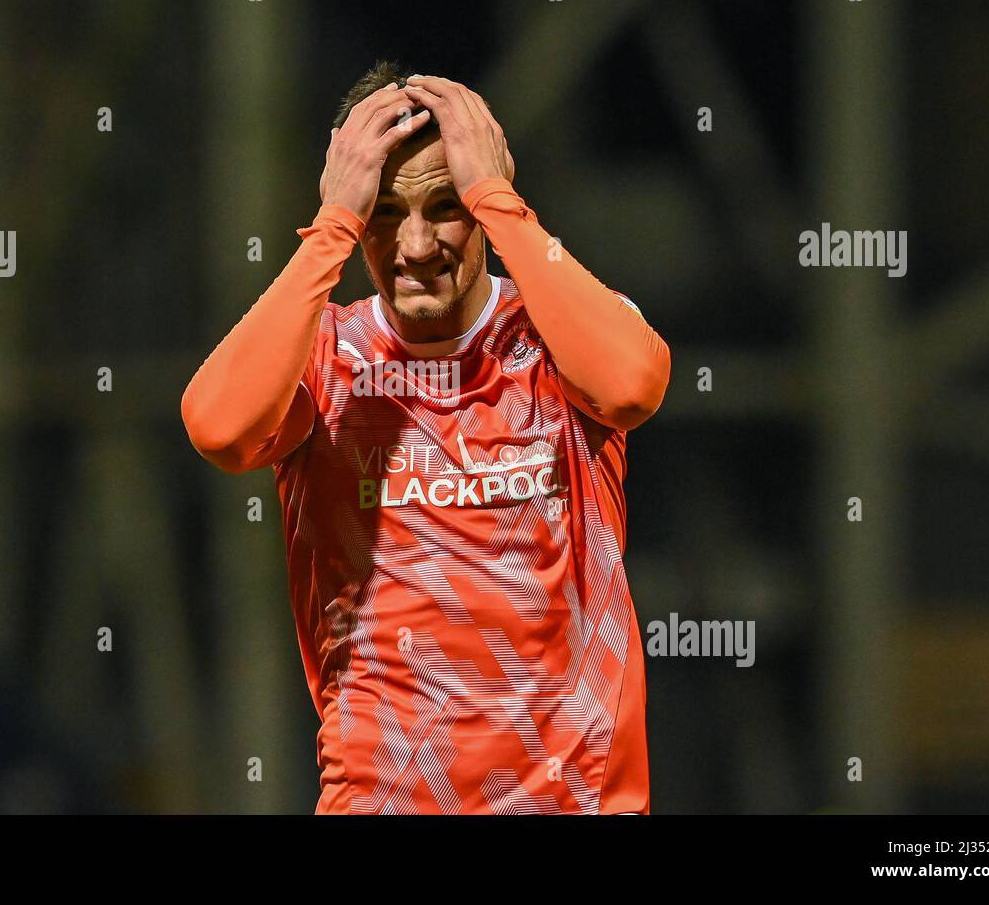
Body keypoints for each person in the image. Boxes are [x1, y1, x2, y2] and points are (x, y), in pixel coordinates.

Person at [181, 61, 671, 813]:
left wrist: (502, 204)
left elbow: (632, 386)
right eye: (383, 212)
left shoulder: (554, 337)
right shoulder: (325, 357)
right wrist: (329, 231)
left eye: (445, 205)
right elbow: (218, 428)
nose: (413, 245)